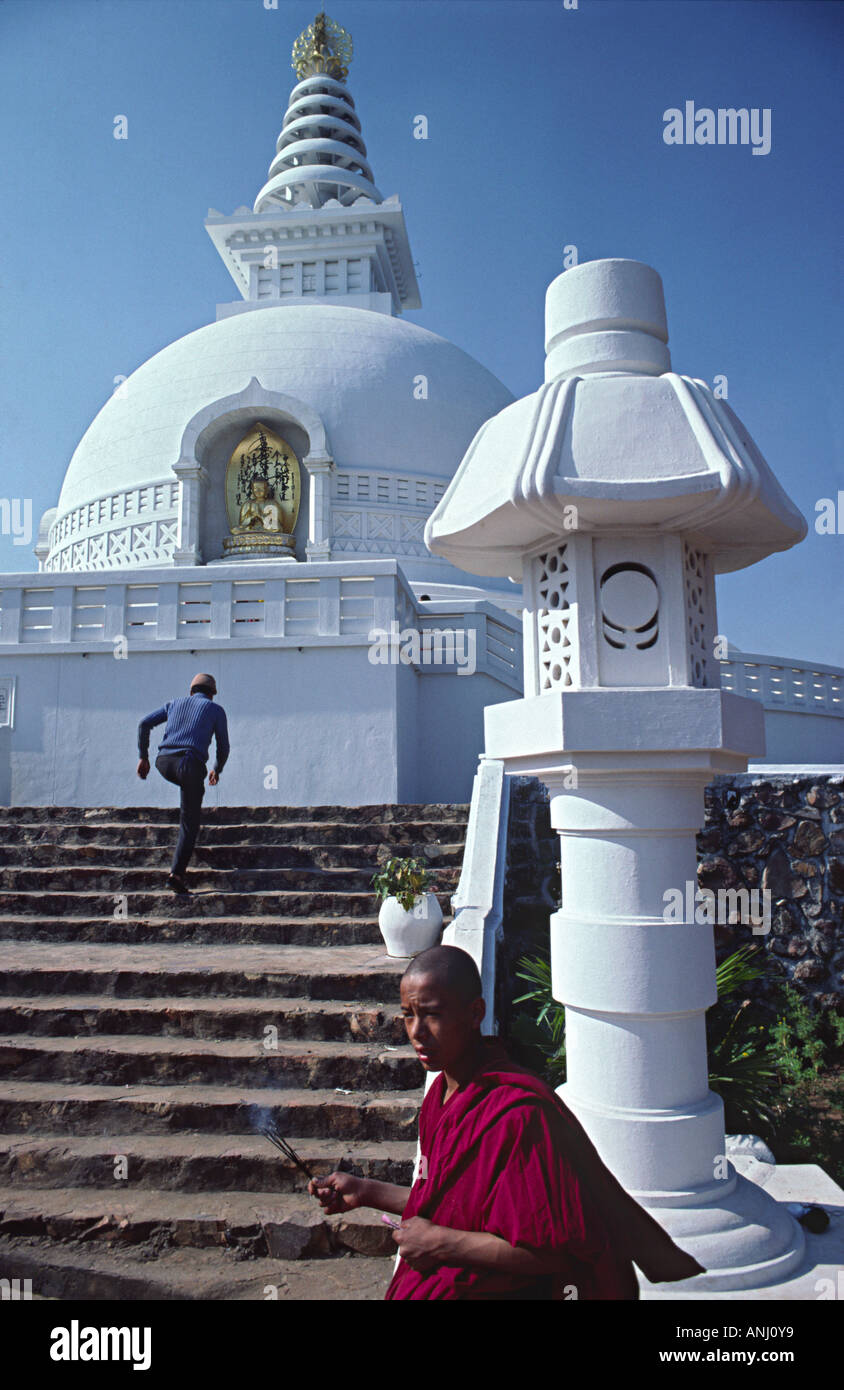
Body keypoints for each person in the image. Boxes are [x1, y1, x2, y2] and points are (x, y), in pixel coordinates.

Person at [309, 944, 706, 1300]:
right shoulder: (440, 1098)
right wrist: (365, 1191)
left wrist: (444, 1244)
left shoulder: (519, 1114)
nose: (416, 1033)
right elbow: (449, 1205)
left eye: (431, 1015)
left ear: (475, 1013)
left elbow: (553, 1250)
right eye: (408, 1015)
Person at [136, 673, 229, 894]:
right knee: (189, 821)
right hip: (189, 763)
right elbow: (223, 746)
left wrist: (143, 757)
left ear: (191, 691)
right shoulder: (215, 710)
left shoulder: (174, 703)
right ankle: (176, 875)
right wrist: (217, 768)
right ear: (212, 695)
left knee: (189, 788)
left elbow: (144, 724)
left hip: (163, 762)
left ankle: (177, 870)